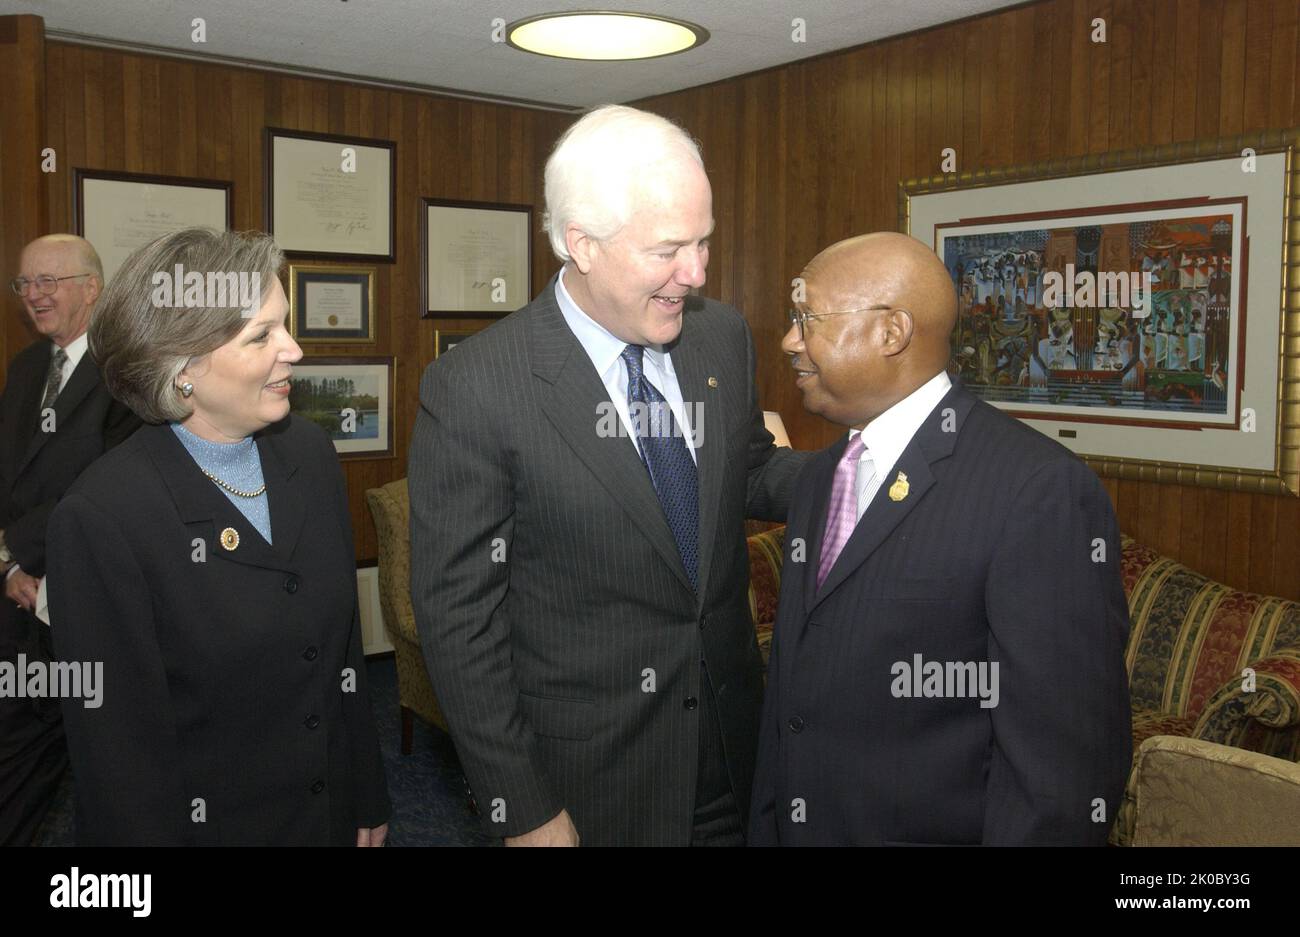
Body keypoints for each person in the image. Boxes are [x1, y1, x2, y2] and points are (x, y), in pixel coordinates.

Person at [410, 105, 808, 846]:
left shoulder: (717, 337)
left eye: (703, 243)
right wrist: (520, 804)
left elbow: (747, 470)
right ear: (580, 244)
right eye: (668, 250)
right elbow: (459, 621)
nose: (694, 274)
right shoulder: (478, 386)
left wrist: (864, 472)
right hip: (590, 784)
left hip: (732, 746)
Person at [750, 232, 1131, 846]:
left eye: (807, 319)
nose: (790, 340)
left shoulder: (1035, 491)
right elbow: (793, 710)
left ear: (891, 333)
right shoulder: (823, 476)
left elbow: (1059, 776)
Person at [45, 227, 390, 845]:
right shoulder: (103, 519)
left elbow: (343, 654)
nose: (295, 350)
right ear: (181, 370)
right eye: (262, 335)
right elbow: (118, 758)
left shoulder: (309, 454)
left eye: (284, 324)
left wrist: (364, 790)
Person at [0, 234, 141, 845]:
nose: (34, 295)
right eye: (24, 284)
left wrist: (25, 559)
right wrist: (6, 568)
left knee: (107, 770)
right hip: (15, 598)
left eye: (48, 281)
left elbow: (106, 490)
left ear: (92, 287)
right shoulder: (26, 366)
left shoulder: (126, 371)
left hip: (84, 599)